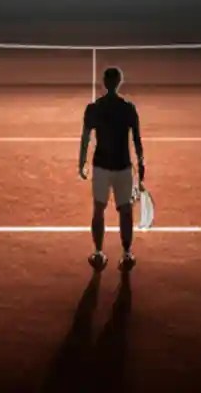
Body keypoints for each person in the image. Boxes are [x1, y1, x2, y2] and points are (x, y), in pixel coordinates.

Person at [79, 67, 145, 271]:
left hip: (100, 167)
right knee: (126, 211)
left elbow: (85, 138)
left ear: (103, 82)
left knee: (98, 209)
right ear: (119, 82)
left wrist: (81, 162)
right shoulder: (128, 108)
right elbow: (136, 139)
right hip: (123, 167)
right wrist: (141, 163)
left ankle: (98, 253)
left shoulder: (93, 108)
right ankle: (126, 254)